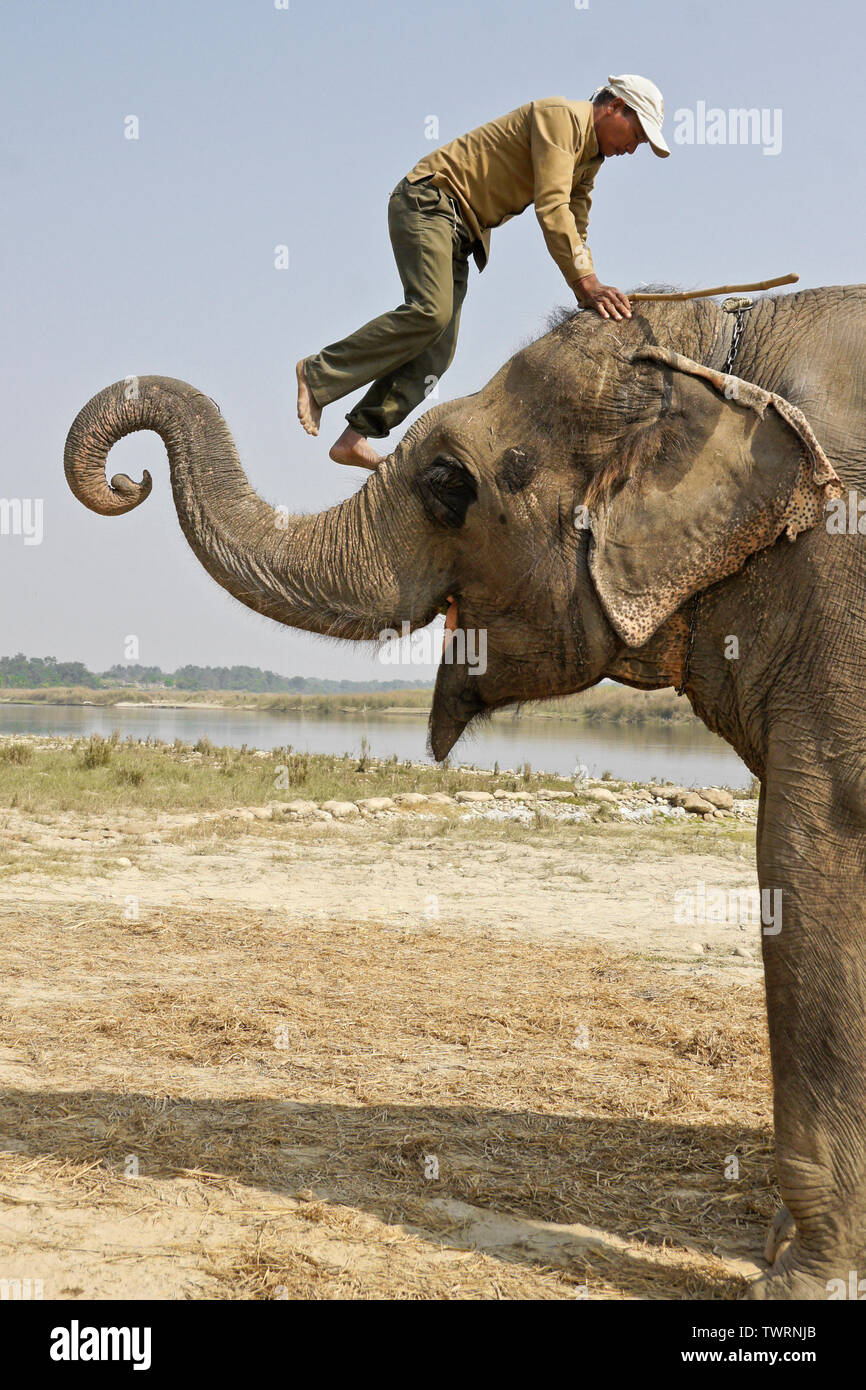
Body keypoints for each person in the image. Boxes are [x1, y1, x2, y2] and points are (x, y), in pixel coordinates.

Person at [297, 74, 669, 469]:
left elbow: (575, 220)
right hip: (429, 201)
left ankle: (355, 437)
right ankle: (317, 373)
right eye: (637, 134)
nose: (633, 148)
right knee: (430, 312)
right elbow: (553, 207)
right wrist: (587, 283)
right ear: (614, 107)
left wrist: (587, 287)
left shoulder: (589, 158)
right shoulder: (561, 118)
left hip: (461, 231)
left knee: (437, 352)